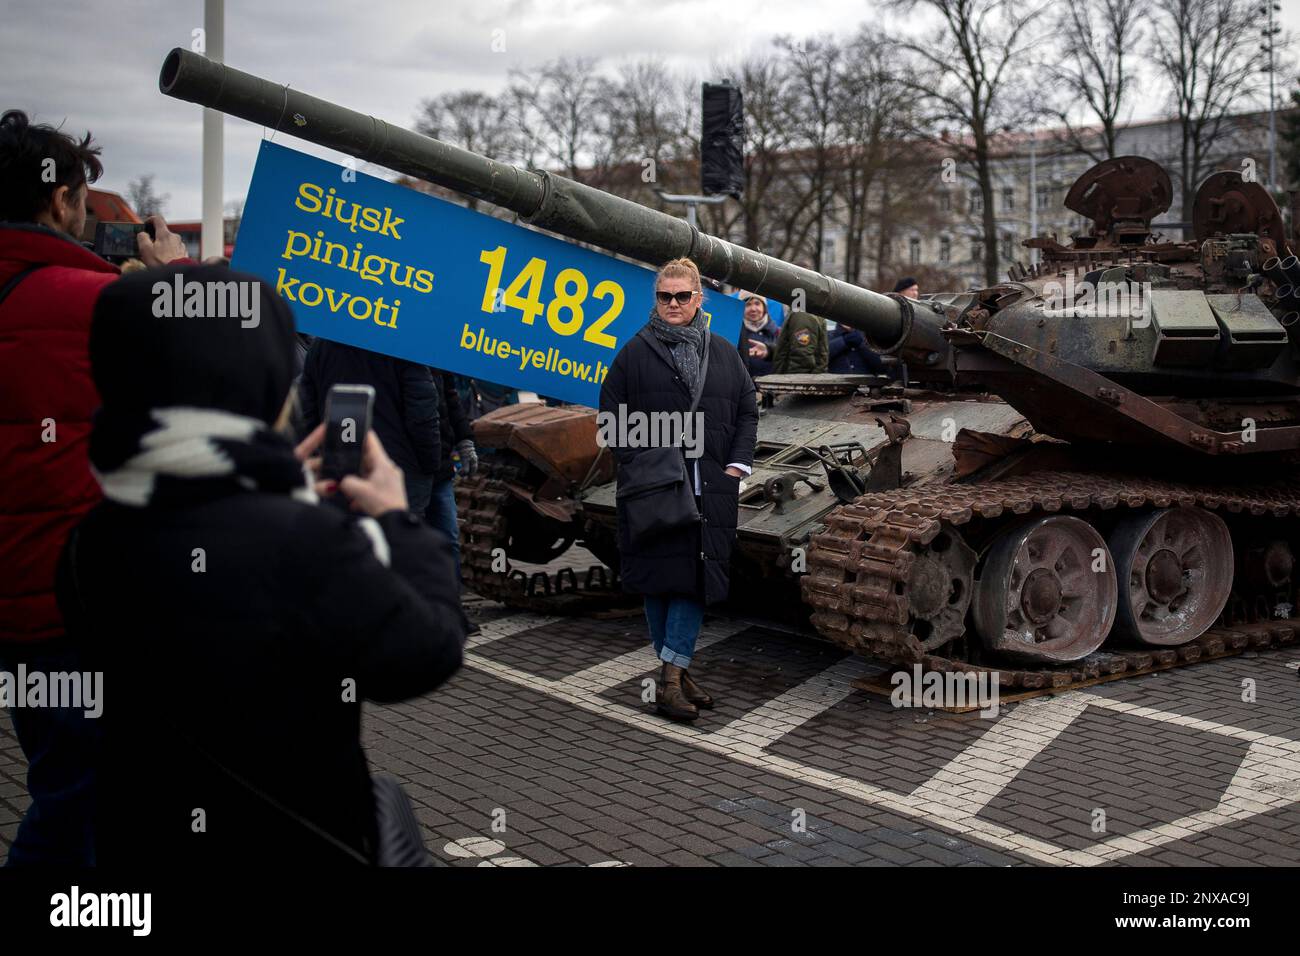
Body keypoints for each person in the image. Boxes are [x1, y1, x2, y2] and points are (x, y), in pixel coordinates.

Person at [56, 263, 466, 866]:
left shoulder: (93, 535)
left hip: (140, 841)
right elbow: (423, 652)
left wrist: (279, 492)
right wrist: (394, 522)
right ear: (263, 378)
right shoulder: (299, 539)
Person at [0, 109, 187, 865]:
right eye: (80, 197)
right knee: (82, 804)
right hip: (80, 612)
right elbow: (218, 393)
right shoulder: (99, 304)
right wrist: (172, 282)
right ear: (61, 201)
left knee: (67, 782)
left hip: (13, 611)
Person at [599, 258, 758, 722]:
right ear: (657, 299)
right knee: (656, 579)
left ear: (698, 299)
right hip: (654, 489)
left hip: (711, 486)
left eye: (682, 296)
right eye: (665, 296)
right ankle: (676, 675)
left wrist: (736, 465)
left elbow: (748, 408)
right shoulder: (634, 352)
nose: (673, 304)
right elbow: (610, 417)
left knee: (693, 580)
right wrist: (642, 462)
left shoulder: (725, 352)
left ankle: (671, 677)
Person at [298, 340, 441, 513]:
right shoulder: (405, 345)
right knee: (395, 533)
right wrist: (430, 465)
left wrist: (320, 453)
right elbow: (422, 416)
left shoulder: (323, 344)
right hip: (395, 473)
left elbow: (307, 408)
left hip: (338, 464)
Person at [424, 368, 476, 575]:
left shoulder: (435, 360)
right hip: (408, 466)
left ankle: (449, 599)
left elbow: (450, 399)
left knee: (448, 537)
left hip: (440, 464)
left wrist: (465, 439)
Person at [737, 292, 779, 380]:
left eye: (757, 303)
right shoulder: (735, 333)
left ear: (764, 307)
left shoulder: (778, 333)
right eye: (748, 304)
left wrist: (769, 351)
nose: (753, 309)